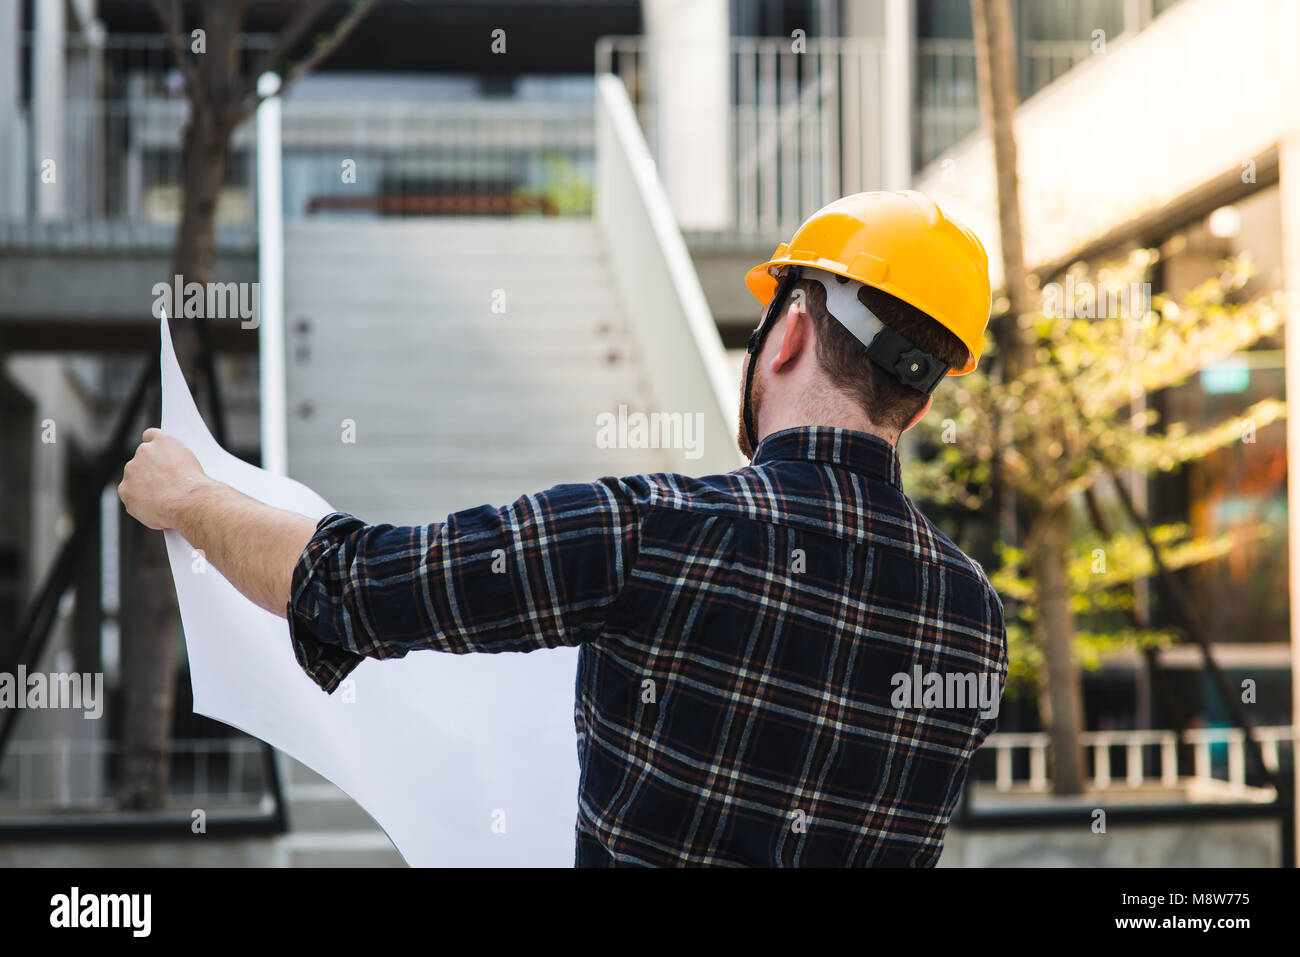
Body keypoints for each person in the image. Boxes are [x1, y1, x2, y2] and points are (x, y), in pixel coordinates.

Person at [119, 189, 1008, 867]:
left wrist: (190, 498)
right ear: (921, 398)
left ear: (789, 332)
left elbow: (353, 586)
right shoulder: (972, 622)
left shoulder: (656, 530)